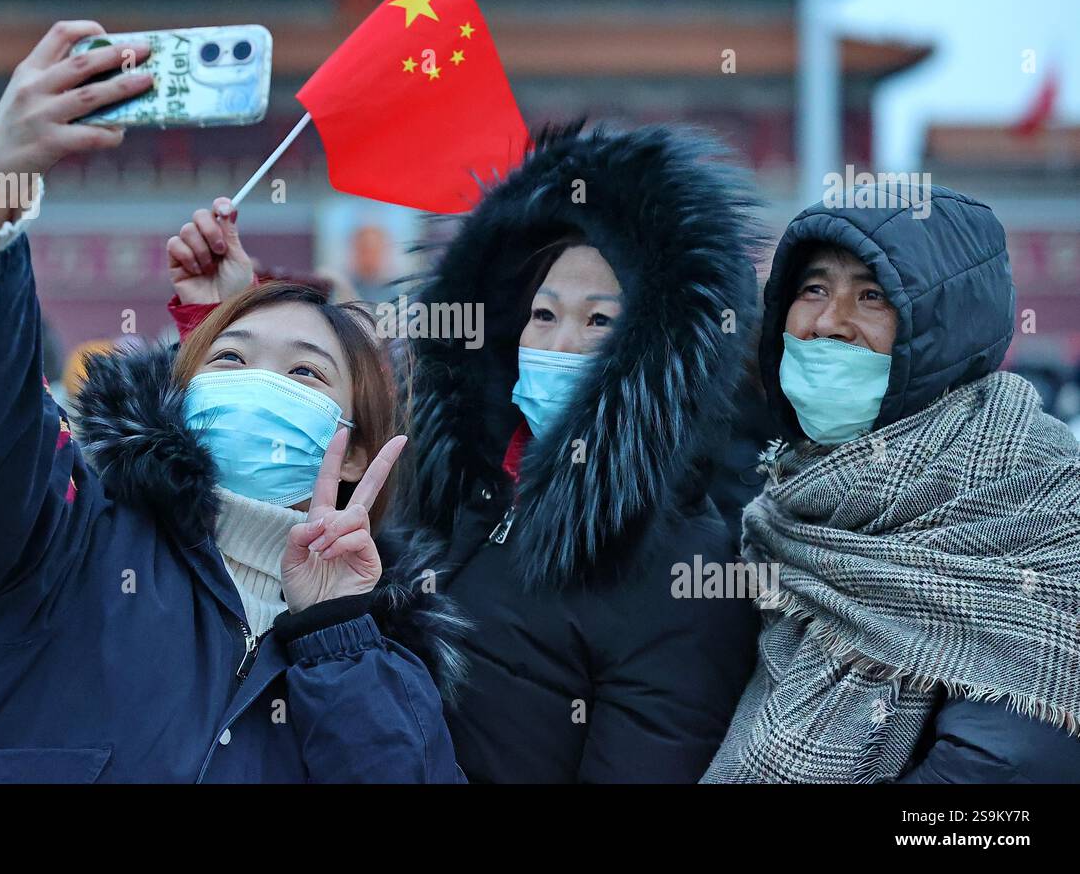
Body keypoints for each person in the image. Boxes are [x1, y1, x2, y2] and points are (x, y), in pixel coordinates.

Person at [0, 21, 463, 783]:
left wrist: (335, 633)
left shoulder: (387, 655)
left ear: (354, 447)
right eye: (231, 360)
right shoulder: (63, 539)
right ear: (187, 394)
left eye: (306, 375)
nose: (259, 385)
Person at [381, 123, 763, 782]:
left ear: (654, 348)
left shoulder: (683, 567)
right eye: (544, 314)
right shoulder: (443, 494)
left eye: (598, 321)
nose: (558, 346)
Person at [703, 183, 1080, 783]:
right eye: (814, 289)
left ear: (945, 327)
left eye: (872, 296)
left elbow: (1010, 764)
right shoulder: (785, 511)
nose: (830, 322)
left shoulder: (1040, 495)